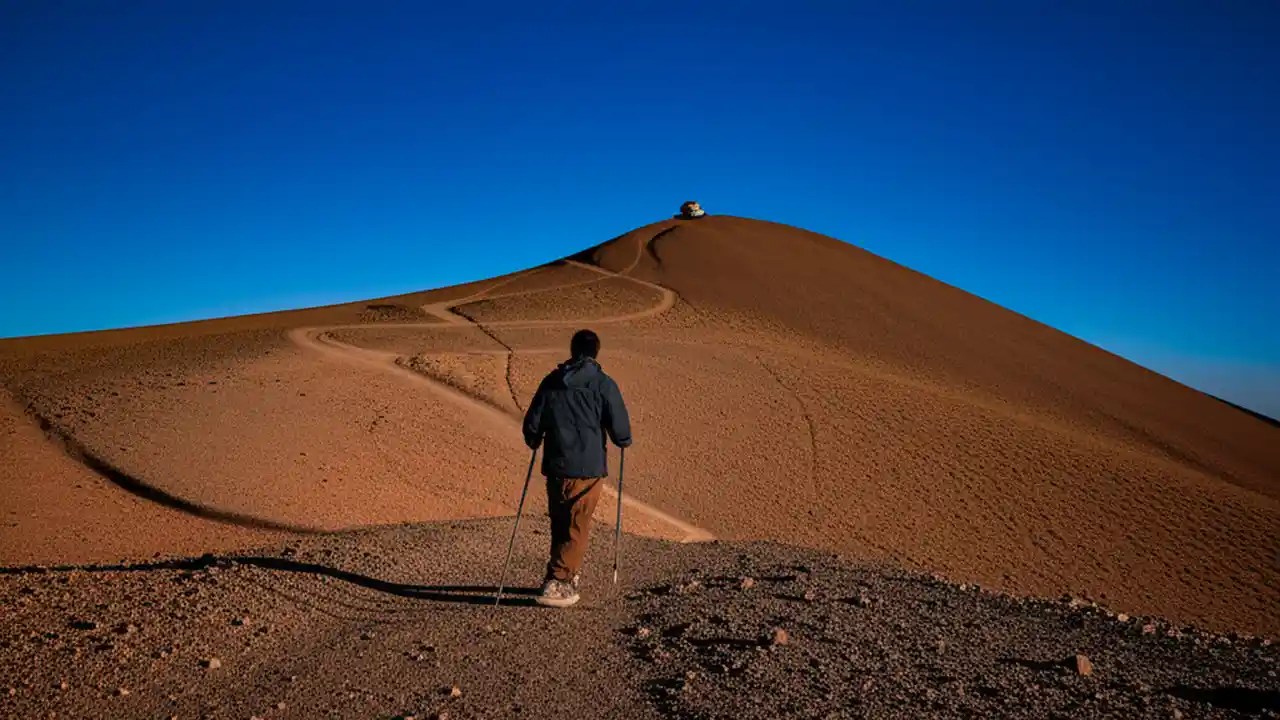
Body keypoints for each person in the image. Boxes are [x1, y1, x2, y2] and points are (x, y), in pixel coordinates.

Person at [521, 329, 632, 607]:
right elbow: (621, 432)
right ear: (596, 352)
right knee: (577, 524)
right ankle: (558, 582)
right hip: (588, 468)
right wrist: (623, 440)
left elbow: (532, 425)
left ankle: (562, 573)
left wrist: (535, 440)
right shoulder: (604, 385)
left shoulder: (552, 381)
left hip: (556, 465)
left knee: (561, 521)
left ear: (572, 350)